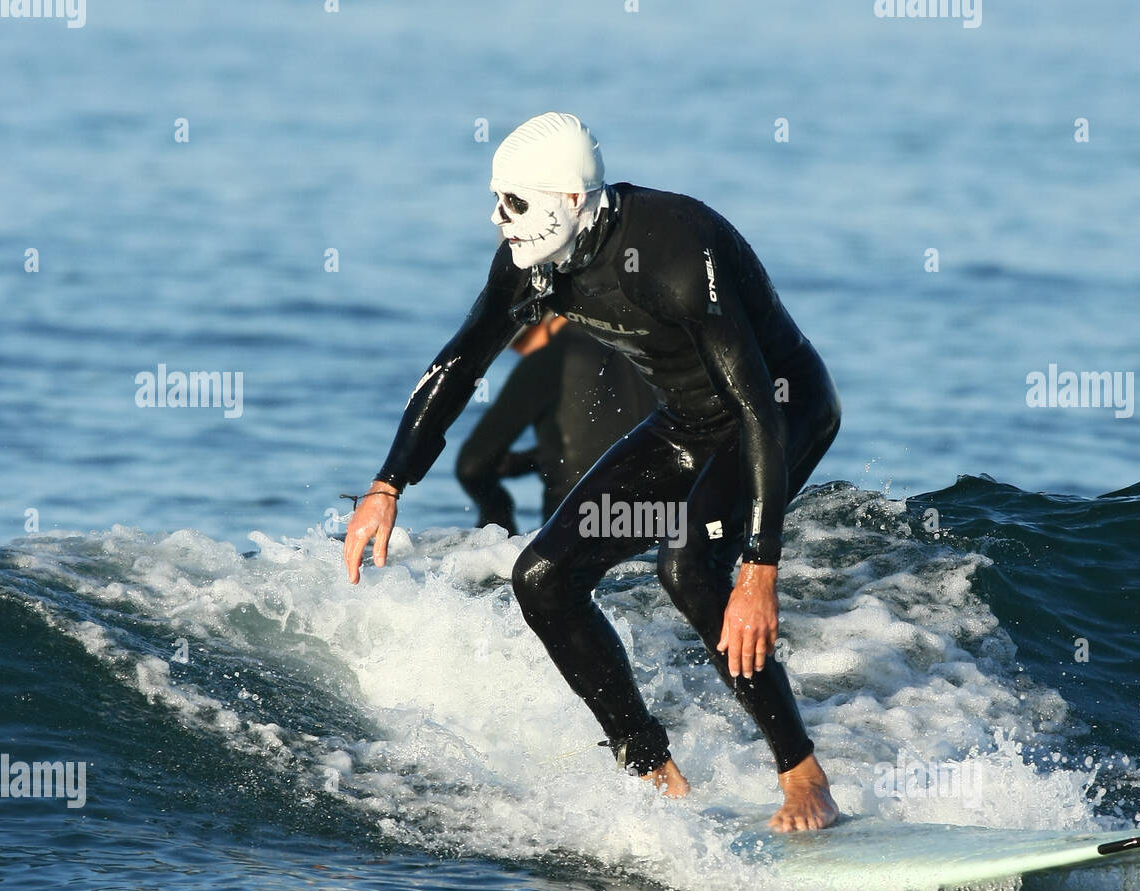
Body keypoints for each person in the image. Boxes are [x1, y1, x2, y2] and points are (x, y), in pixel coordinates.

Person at [344, 112, 842, 831]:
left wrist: (760, 568)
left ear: (569, 202)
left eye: (514, 203)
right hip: (683, 424)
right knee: (543, 578)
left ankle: (805, 777)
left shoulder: (675, 246)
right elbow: (459, 363)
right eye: (496, 200)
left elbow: (758, 408)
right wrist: (387, 486)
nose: (498, 218)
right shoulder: (530, 262)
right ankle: (653, 772)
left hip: (780, 411)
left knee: (691, 567)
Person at [455, 315, 658, 534]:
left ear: (544, 317)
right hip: (660, 525)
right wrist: (530, 461)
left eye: (521, 342)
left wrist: (498, 516)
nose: (521, 353)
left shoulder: (551, 355)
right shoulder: (653, 352)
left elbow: (471, 466)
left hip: (575, 535)